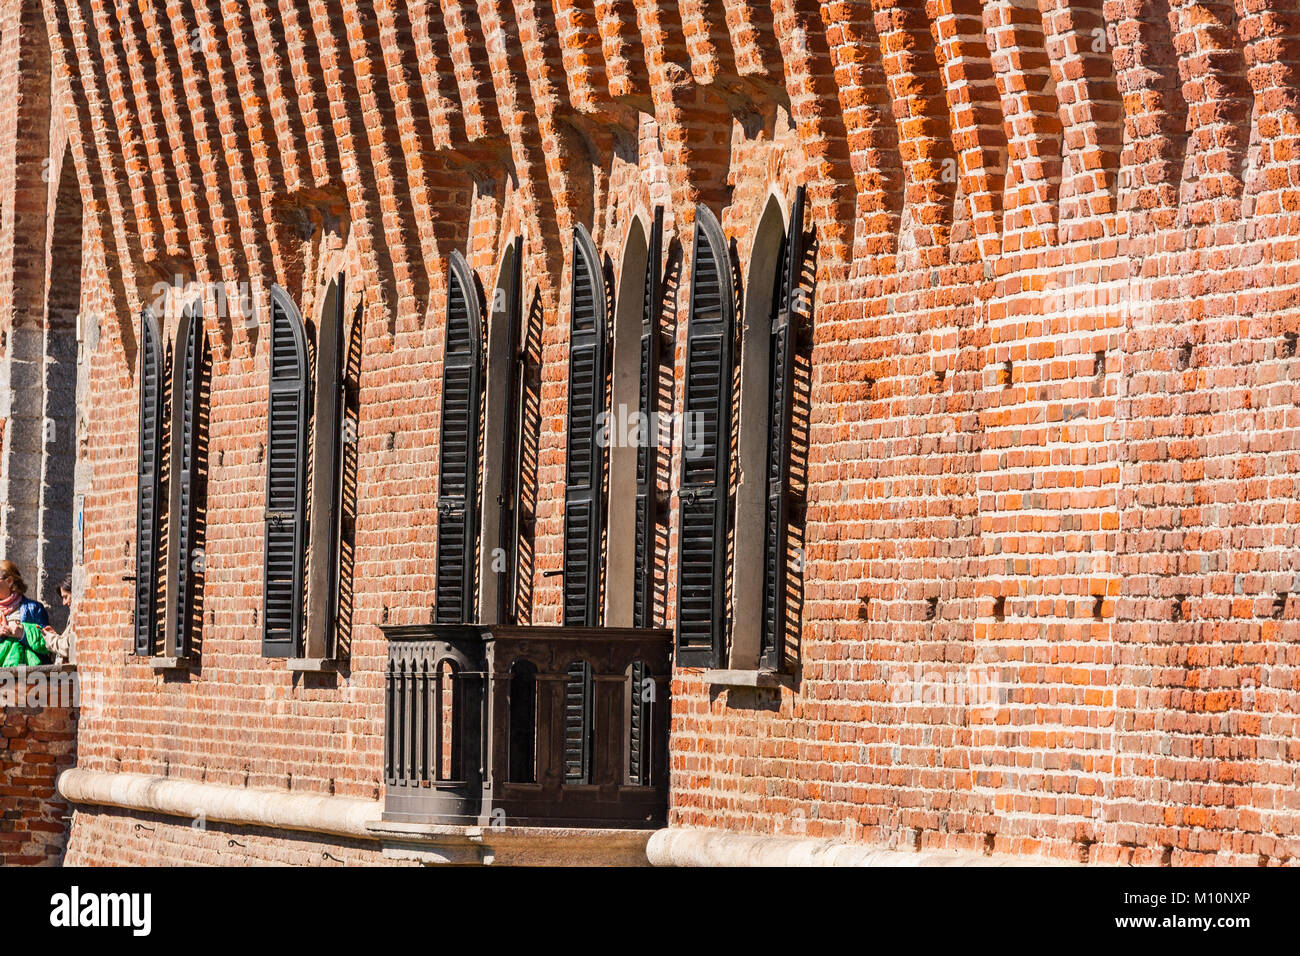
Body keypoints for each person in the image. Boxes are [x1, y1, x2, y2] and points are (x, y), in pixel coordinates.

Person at [0, 560, 53, 666]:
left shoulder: (34, 608)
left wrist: (22, 633)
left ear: (9, 581)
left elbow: (48, 643)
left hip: (30, 675)